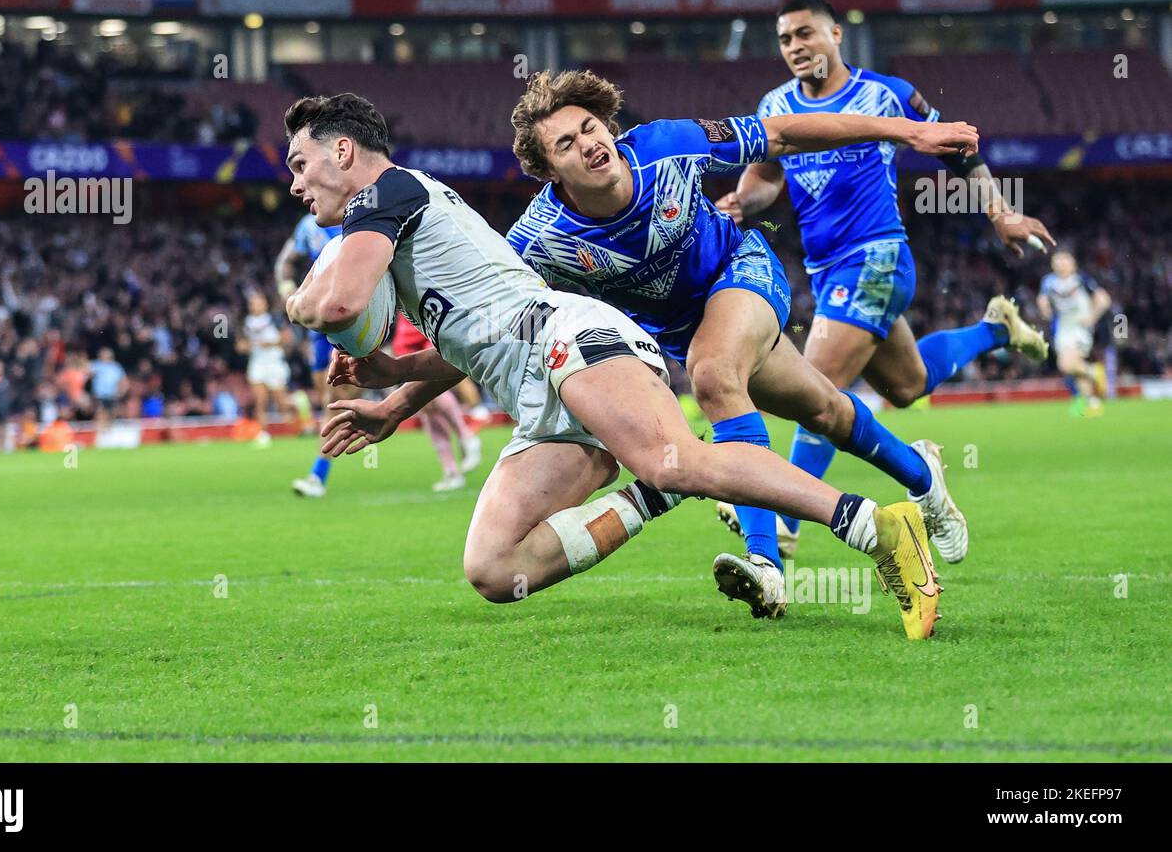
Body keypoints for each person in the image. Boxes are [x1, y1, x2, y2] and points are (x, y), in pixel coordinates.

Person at [282, 91, 942, 639]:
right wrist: (395, 393)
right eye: (565, 144)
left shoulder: (384, 195)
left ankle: (875, 527)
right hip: (541, 379)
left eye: (300, 163)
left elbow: (337, 304)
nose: (295, 183)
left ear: (343, 151)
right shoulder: (487, 226)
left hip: (581, 338)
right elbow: (479, 337)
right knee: (495, 568)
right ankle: (663, 493)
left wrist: (292, 297)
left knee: (691, 429)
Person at [505, 68, 970, 601]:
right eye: (566, 143)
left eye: (590, 127)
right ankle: (922, 473)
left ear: (607, 127)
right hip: (687, 332)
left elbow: (783, 134)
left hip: (742, 270)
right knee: (824, 410)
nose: (588, 143)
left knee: (714, 375)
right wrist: (422, 382)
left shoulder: (668, 146)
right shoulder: (539, 239)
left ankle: (765, 563)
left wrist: (909, 131)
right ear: (548, 171)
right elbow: (490, 312)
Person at [715, 0, 1054, 559]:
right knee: (907, 385)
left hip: (877, 257)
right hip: (826, 272)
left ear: (836, 35)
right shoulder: (774, 104)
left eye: (805, 33)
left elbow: (957, 149)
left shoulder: (884, 94)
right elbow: (766, 177)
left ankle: (781, 522)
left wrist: (1000, 212)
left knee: (817, 382)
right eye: (785, 38)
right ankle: (995, 330)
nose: (795, 46)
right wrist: (740, 202)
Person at [275, 210, 354, 497]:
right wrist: (288, 291)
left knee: (335, 400)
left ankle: (318, 475)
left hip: (353, 316)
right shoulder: (309, 226)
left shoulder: (359, 217)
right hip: (319, 323)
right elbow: (285, 262)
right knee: (329, 400)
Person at [392, 314, 482, 491]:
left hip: (422, 323)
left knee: (430, 389)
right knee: (427, 408)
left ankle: (465, 437)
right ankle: (452, 469)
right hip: (410, 328)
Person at [1038, 250, 1112, 417]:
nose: (1061, 265)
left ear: (1073, 264)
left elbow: (1104, 299)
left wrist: (1092, 317)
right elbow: (1042, 300)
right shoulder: (1049, 282)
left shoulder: (1081, 279)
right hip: (1062, 329)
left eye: (1065, 261)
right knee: (1075, 369)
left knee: (1065, 365)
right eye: (1057, 262)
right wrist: (1045, 309)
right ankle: (1093, 404)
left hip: (1079, 328)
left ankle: (1095, 372)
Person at [238, 291, 294, 447]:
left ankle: (297, 420)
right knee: (260, 400)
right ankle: (262, 434)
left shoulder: (275, 319)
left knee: (281, 403)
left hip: (274, 363)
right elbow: (240, 344)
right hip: (257, 364)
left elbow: (288, 338)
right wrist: (247, 346)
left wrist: (270, 344)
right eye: (252, 303)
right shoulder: (246, 323)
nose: (255, 305)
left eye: (258, 302)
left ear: (265, 304)